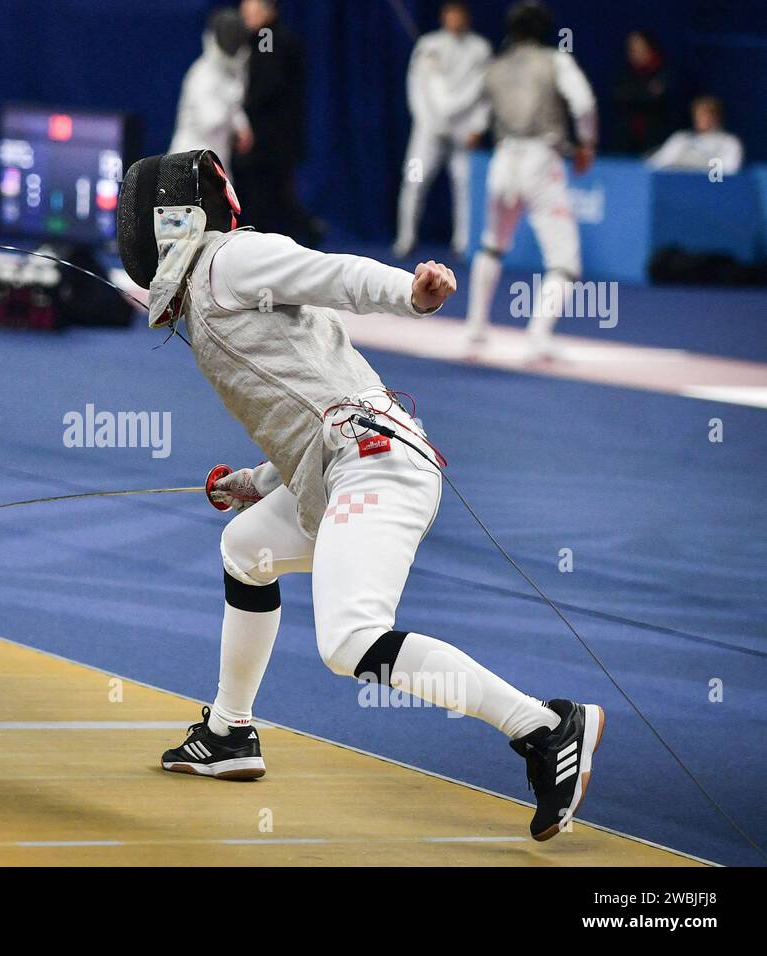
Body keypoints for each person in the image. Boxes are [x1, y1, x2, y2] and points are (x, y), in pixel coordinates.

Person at [115, 147, 604, 842]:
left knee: (349, 641)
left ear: (167, 220)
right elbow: (307, 407)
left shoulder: (229, 259)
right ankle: (229, 733)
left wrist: (410, 293)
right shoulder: (207, 285)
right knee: (248, 547)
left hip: (375, 466)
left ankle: (547, 727)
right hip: (342, 461)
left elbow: (332, 273)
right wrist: (253, 482)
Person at [462, 1, 597, 362]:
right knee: (564, 259)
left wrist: (474, 132)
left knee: (492, 244)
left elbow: (475, 117)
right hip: (541, 159)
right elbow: (583, 103)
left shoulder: (495, 66)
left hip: (503, 160)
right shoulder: (556, 60)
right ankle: (538, 336)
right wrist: (586, 143)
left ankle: (475, 326)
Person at [392, 1, 491, 259]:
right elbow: (415, 89)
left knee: (464, 185)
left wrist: (478, 126)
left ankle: (462, 243)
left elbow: (485, 93)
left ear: (467, 17)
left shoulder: (480, 49)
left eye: (459, 14)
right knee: (413, 181)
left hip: (463, 132)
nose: (454, 19)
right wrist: (428, 122)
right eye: (450, 14)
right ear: (443, 16)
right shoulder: (427, 45)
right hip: (428, 132)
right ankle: (406, 239)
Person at [232, 0, 318, 243]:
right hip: (275, 134)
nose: (244, 17)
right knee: (272, 192)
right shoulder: (268, 38)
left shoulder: (267, 36)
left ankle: (306, 232)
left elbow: (269, 79)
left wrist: (243, 103)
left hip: (273, 135)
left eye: (249, 11)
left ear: (265, 12)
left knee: (274, 190)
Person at [168, 7, 252, 177]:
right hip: (190, 161)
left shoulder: (231, 73)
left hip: (216, 161)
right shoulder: (202, 75)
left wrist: (242, 126)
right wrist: (234, 96)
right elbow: (211, 121)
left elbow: (234, 109)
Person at [647, 96, 743, 175]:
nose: (702, 120)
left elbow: (729, 171)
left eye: (707, 115)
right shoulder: (681, 138)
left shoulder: (729, 142)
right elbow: (656, 164)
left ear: (717, 117)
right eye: (699, 115)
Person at [611, 30, 670, 155]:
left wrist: (636, 95)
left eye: (639, 48)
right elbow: (619, 97)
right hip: (627, 141)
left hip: (657, 141)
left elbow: (658, 100)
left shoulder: (665, 72)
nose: (635, 53)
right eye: (632, 49)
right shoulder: (625, 73)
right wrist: (645, 94)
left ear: (650, 48)